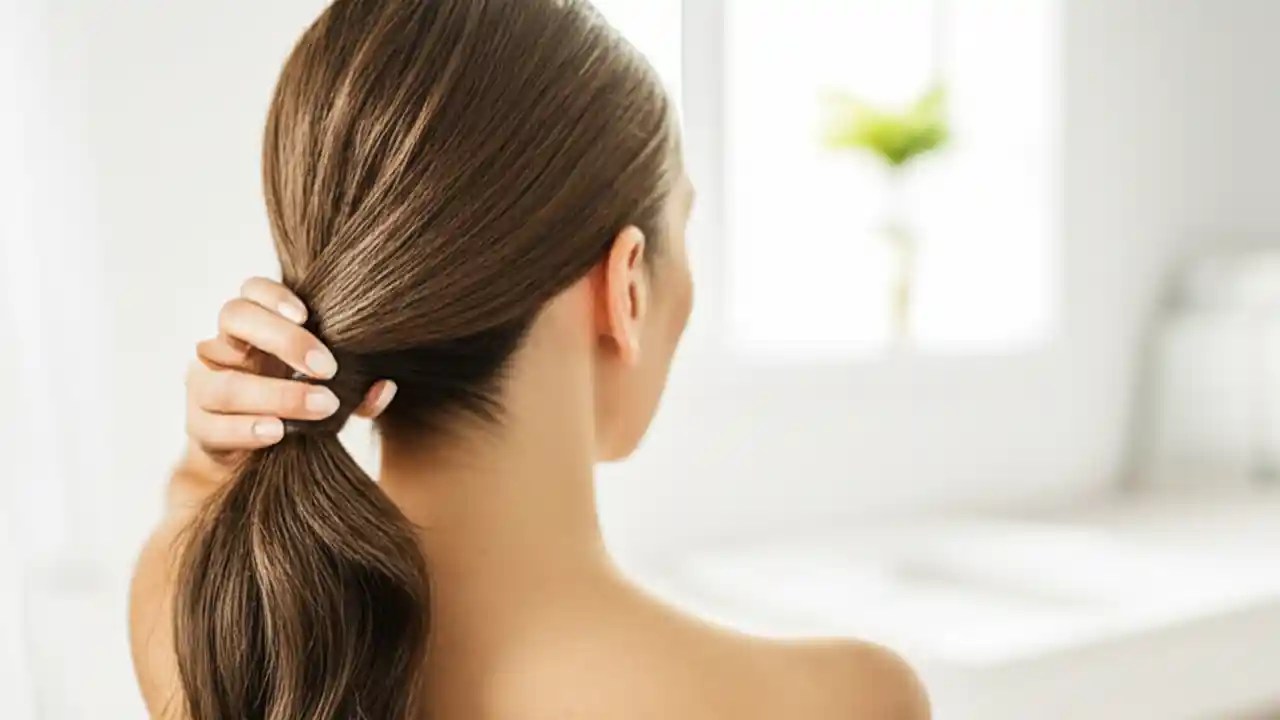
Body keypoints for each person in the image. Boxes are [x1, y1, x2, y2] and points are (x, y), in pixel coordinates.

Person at [129, 1, 930, 718]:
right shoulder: (849, 702)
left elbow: (189, 512)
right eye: (683, 230)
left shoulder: (206, 640)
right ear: (627, 288)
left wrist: (220, 453)